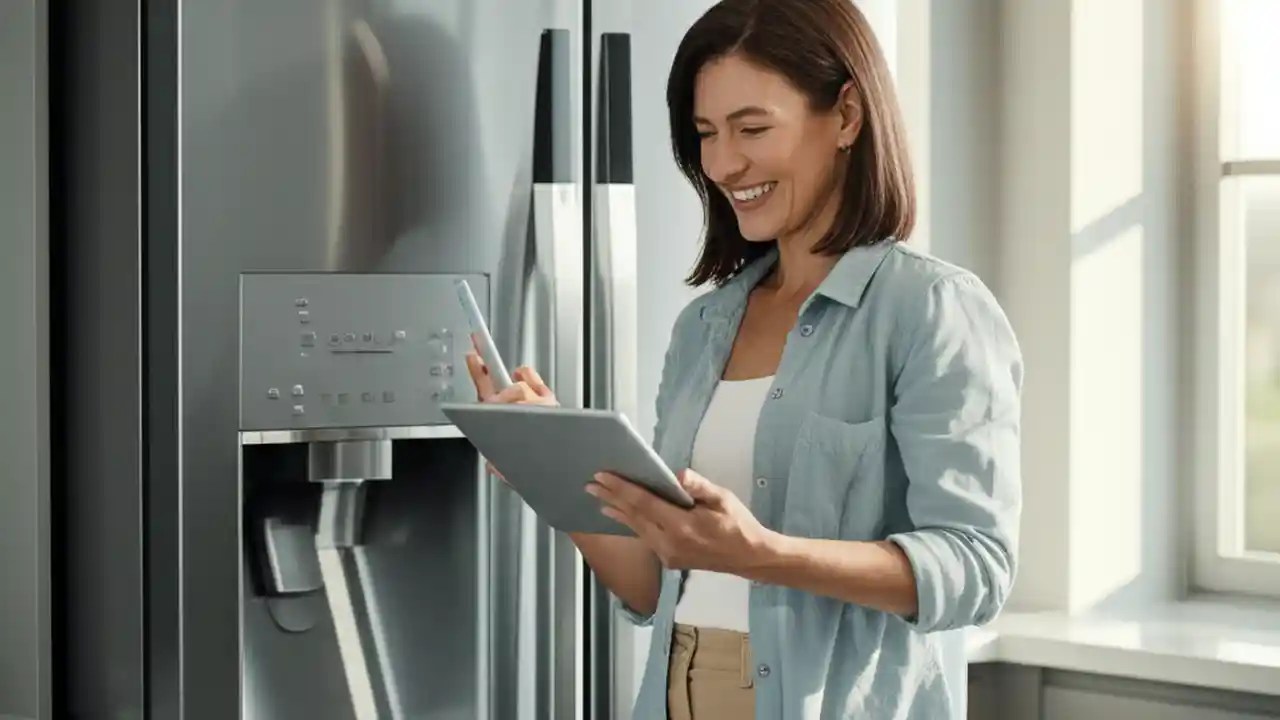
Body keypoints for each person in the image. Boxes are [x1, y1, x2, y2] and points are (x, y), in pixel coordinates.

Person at [464, 0, 1023, 717]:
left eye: (752, 128)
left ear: (846, 116)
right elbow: (653, 585)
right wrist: (546, 468)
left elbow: (975, 568)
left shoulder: (931, 310)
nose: (725, 164)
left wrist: (762, 553)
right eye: (705, 134)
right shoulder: (706, 325)